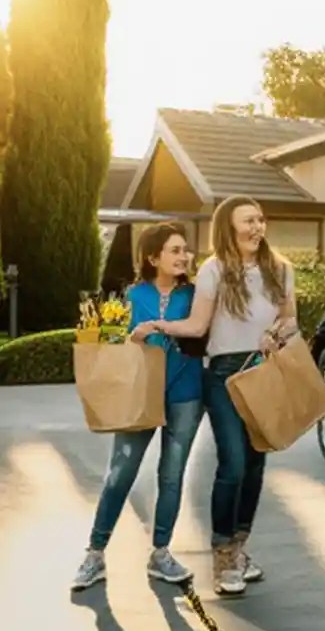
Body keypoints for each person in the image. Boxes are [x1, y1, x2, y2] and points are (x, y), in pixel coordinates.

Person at [138, 195, 298, 596]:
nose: (257, 228)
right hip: (223, 375)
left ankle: (240, 547)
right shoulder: (214, 269)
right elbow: (196, 326)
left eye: (261, 220)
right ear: (229, 227)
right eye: (248, 221)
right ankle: (222, 551)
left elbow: (291, 318)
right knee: (234, 462)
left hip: (265, 369)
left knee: (257, 462)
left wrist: (275, 333)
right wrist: (156, 325)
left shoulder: (280, 269)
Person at [72, 223, 204, 590]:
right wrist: (133, 334)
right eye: (175, 250)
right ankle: (95, 553)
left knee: (172, 475)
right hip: (138, 392)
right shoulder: (130, 295)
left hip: (186, 392)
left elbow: (205, 331)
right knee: (121, 473)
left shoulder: (195, 295)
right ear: (153, 257)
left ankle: (161, 553)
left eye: (185, 250)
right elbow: (112, 344)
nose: (184, 256)